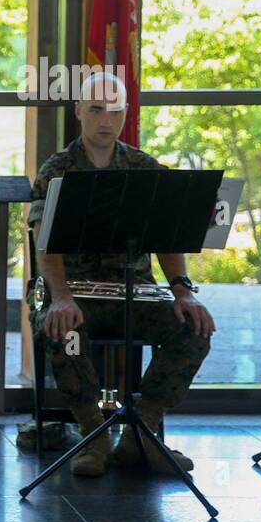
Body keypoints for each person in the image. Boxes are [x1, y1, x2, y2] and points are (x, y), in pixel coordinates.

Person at [26, 71, 214, 476]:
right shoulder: (57, 169)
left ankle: (141, 432)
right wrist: (59, 297)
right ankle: (94, 434)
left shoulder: (144, 168)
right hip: (74, 293)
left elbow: (169, 238)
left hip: (135, 294)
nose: (105, 119)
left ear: (126, 113)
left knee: (194, 328)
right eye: (95, 109)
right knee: (64, 332)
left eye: (114, 110)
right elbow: (46, 243)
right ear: (79, 111)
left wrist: (182, 290)